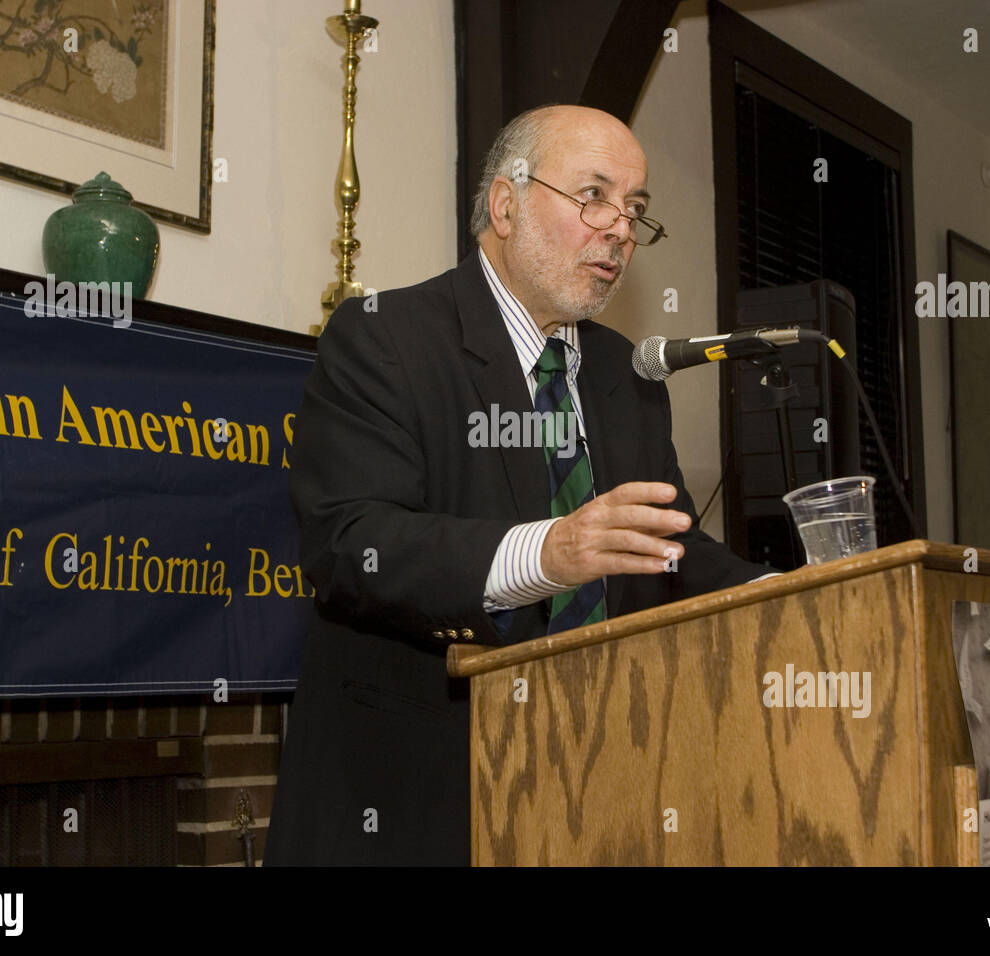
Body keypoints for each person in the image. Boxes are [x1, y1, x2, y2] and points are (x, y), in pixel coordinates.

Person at [265, 105, 774, 866]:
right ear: (506, 203)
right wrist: (548, 552)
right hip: (416, 795)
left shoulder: (621, 375)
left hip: (599, 787)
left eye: (635, 209)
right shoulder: (386, 338)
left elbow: (666, 550)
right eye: (595, 196)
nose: (621, 230)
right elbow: (351, 545)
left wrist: (800, 596)